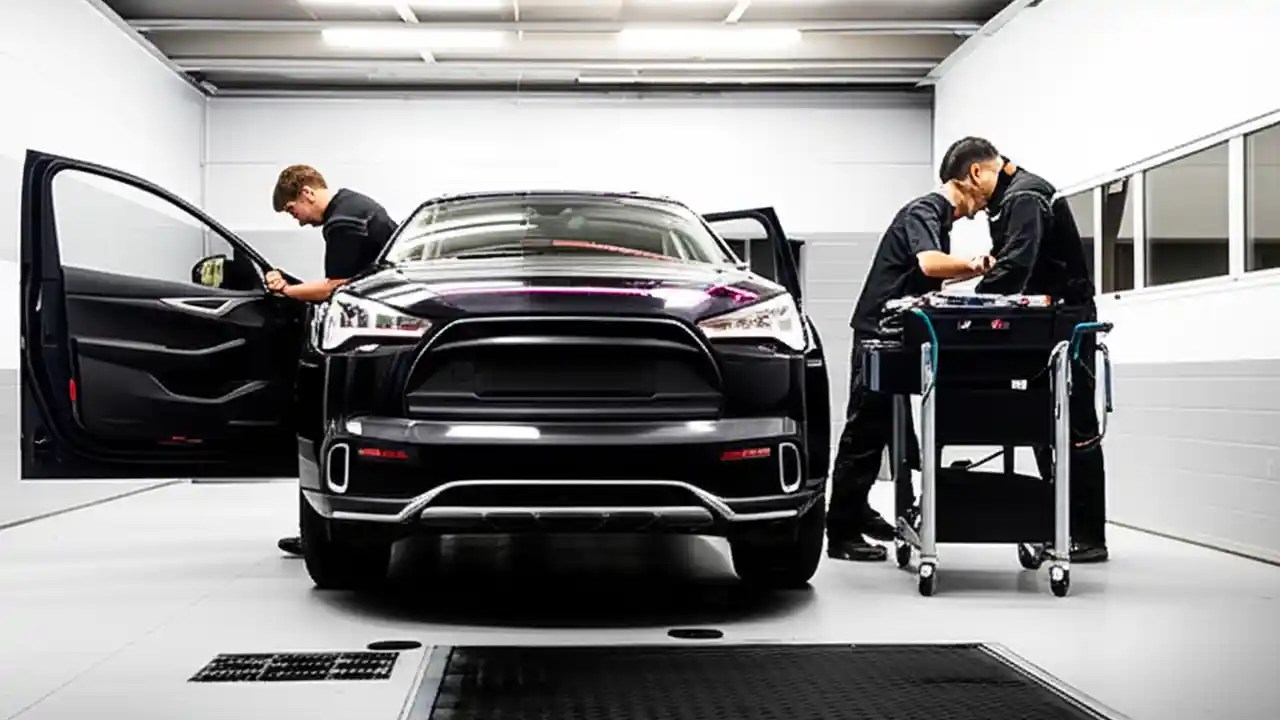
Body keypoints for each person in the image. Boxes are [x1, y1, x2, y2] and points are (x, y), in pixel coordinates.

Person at [939, 136, 1109, 563]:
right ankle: (1054, 522)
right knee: (1043, 425)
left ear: (977, 173)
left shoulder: (1026, 197)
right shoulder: (1015, 198)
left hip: (1066, 328)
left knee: (1074, 428)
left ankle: (1085, 535)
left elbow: (1016, 266)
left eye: (964, 191)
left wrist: (972, 307)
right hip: (1046, 327)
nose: (970, 207)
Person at [826, 164, 998, 562]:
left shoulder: (939, 219)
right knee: (866, 431)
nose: (985, 202)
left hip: (895, 332)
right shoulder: (926, 210)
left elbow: (926, 277)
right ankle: (841, 532)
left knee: (895, 431)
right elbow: (930, 266)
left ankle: (858, 510)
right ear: (971, 175)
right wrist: (978, 265)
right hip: (878, 332)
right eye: (988, 182)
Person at [268, 164, 398, 556]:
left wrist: (286, 291)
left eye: (293, 209)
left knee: (324, 430)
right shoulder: (357, 207)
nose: (297, 220)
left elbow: (335, 289)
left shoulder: (342, 221)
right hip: (379, 341)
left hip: (365, 346)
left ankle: (324, 535)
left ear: (307, 193)